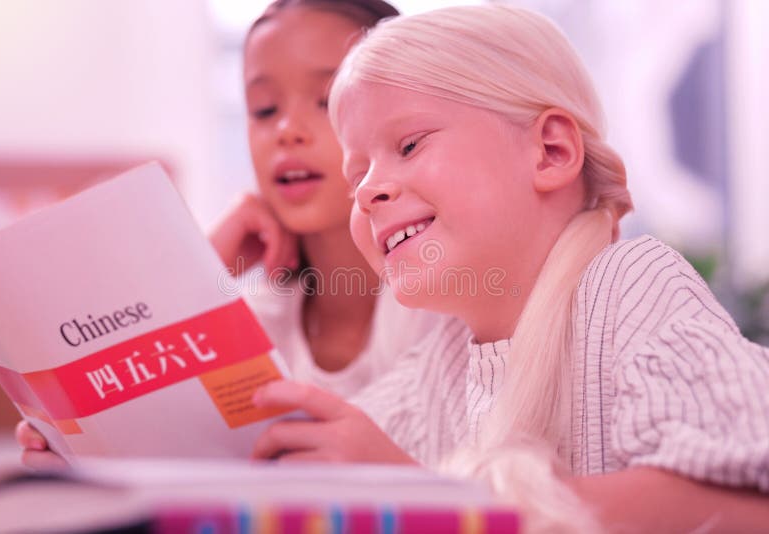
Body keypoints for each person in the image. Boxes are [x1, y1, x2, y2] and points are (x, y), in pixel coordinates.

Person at [248, 5, 769, 531]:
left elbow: (750, 503)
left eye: (409, 145)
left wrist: (422, 497)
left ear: (551, 150)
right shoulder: (433, 374)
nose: (365, 191)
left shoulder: (627, 287)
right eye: (356, 172)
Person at [16, 0, 457, 469]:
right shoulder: (261, 319)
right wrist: (204, 270)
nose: (286, 131)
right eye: (264, 109)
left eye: (327, 100)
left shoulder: (449, 310)